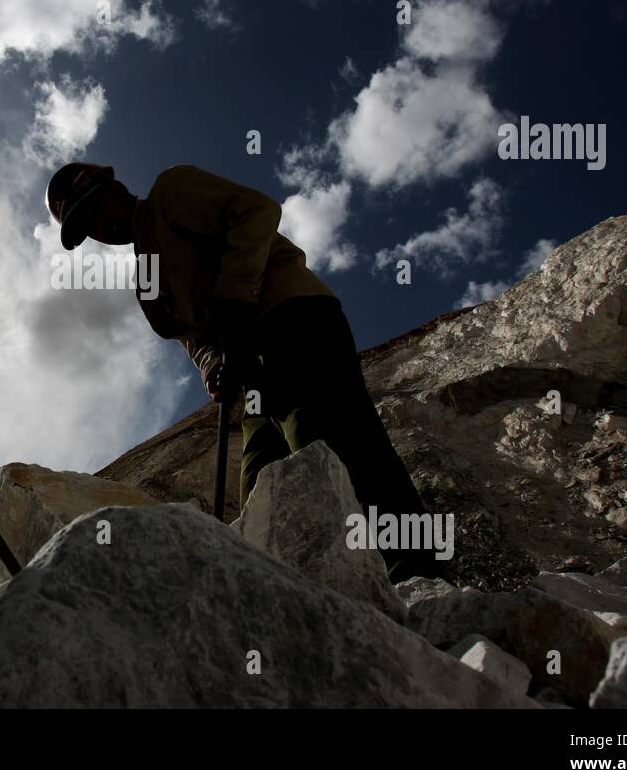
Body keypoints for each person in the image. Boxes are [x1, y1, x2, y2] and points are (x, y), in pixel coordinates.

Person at [45, 162, 437, 582]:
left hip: (293, 320)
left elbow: (256, 211)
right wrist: (213, 363)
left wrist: (234, 297)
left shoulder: (171, 192)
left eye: (94, 208)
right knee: (261, 476)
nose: (99, 227)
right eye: (86, 226)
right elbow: (192, 340)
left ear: (114, 187)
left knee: (335, 443)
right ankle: (291, 594)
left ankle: (416, 572)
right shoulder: (146, 282)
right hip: (248, 368)